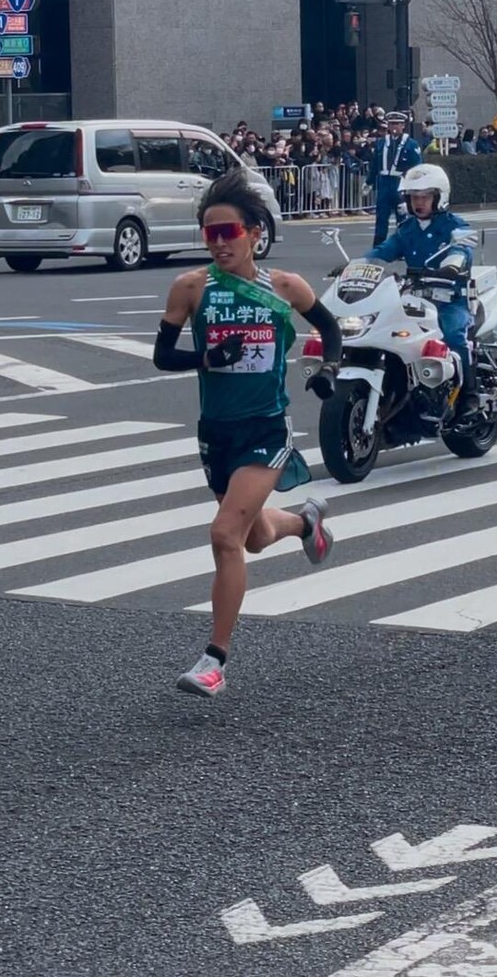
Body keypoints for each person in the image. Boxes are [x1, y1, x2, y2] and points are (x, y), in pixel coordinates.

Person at [152, 168, 343, 698]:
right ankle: (306, 523)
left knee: (223, 535)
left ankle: (214, 660)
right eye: (209, 234)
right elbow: (162, 355)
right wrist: (208, 357)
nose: (218, 245)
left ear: (255, 232)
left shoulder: (285, 287)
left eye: (228, 233)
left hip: (265, 428)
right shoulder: (190, 287)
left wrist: (327, 371)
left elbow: (329, 329)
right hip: (217, 432)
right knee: (254, 537)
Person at [367, 163, 481, 417]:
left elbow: (461, 249)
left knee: (453, 335)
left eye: (425, 197)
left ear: (439, 198)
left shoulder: (454, 225)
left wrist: (452, 265)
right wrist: (358, 264)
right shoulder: (407, 229)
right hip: (414, 297)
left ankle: (469, 395)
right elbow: (385, 250)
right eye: (414, 197)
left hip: (450, 298)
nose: (419, 203)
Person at [367, 111, 421, 245]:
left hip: (400, 183)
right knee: (381, 217)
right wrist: (369, 182)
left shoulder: (411, 144)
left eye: (397, 124)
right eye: (391, 124)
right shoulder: (381, 143)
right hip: (384, 182)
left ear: (403, 126)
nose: (394, 127)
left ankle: (404, 246)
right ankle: (379, 246)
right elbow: (375, 165)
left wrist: (413, 187)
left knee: (402, 216)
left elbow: (417, 167)